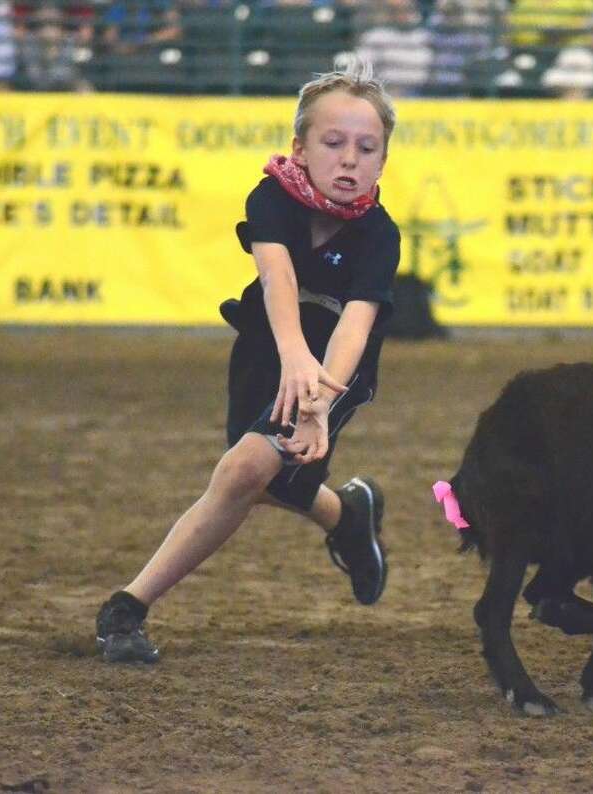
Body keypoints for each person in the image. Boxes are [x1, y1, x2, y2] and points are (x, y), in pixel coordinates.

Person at [95, 56, 400, 664]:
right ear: (300, 146)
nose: (349, 159)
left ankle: (127, 606)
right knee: (259, 479)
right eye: (333, 142)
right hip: (266, 349)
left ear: (383, 161)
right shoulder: (271, 197)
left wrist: (319, 401)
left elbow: (355, 326)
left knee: (241, 474)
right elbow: (278, 281)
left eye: (367, 148)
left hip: (336, 371)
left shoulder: (380, 234)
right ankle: (347, 514)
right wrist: (291, 359)